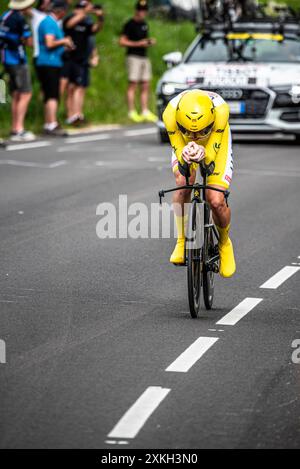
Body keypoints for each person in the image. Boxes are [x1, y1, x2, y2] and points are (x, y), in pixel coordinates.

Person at [162, 89, 236, 278]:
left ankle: (224, 243)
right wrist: (184, 156)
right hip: (182, 141)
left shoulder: (221, 112)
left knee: (216, 199)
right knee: (183, 182)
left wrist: (206, 153)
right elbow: (180, 153)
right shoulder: (170, 114)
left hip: (215, 140)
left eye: (199, 132)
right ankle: (181, 240)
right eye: (189, 131)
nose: (195, 136)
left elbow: (211, 156)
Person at [61, 0, 104, 125]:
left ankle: (78, 114)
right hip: (70, 58)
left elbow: (94, 30)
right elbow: (69, 25)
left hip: (82, 59)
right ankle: (70, 115)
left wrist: (100, 18)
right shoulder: (71, 17)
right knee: (71, 88)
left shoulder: (87, 21)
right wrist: (84, 13)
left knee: (81, 87)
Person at [35, 0, 74, 135]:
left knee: (49, 94)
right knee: (52, 94)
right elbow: (49, 43)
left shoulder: (49, 22)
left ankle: (49, 122)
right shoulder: (50, 23)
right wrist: (64, 41)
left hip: (50, 62)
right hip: (49, 63)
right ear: (60, 11)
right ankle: (52, 123)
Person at [0, 0, 35, 141]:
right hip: (17, 59)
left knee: (15, 94)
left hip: (5, 58)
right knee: (25, 93)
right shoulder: (20, 19)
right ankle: (18, 129)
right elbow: (29, 42)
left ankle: (14, 128)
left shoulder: (5, 15)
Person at [119, 0, 157, 123]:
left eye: (144, 10)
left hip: (144, 57)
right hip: (133, 56)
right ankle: (131, 111)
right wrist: (138, 44)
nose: (142, 13)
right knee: (133, 84)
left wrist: (148, 41)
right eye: (140, 10)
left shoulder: (145, 24)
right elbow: (122, 41)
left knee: (145, 83)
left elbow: (144, 39)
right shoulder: (129, 24)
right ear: (136, 11)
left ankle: (145, 110)